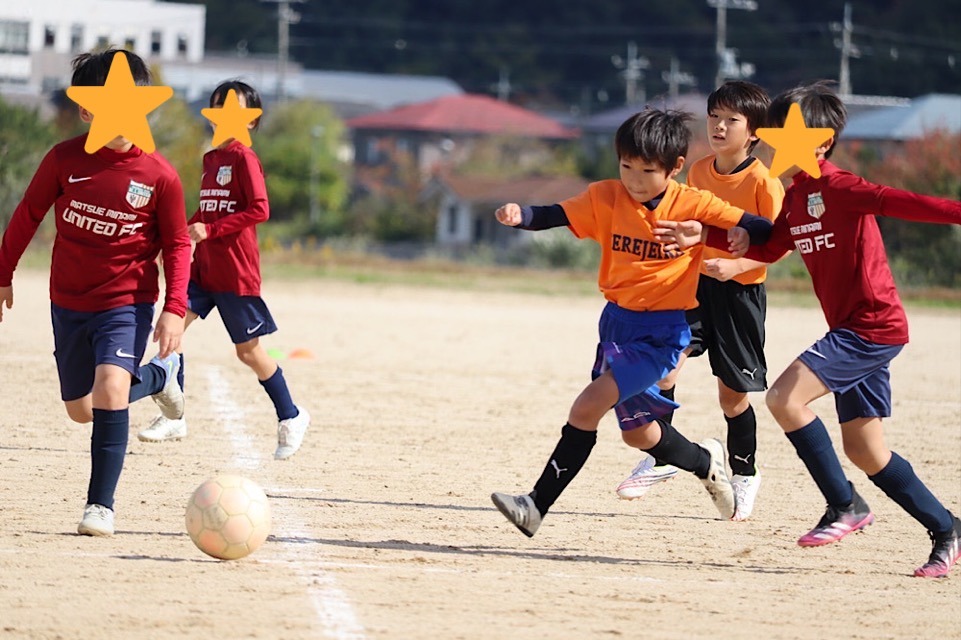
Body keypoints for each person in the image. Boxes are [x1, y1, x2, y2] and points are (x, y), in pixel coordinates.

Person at [659, 81, 961, 577]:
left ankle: (844, 507)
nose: (778, 139)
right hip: (851, 329)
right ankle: (946, 528)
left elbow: (907, 202)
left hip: (871, 327)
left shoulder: (840, 187)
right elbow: (769, 247)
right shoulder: (797, 194)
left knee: (783, 398)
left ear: (821, 141)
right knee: (866, 450)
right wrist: (704, 233)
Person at [489, 108, 775, 537]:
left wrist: (734, 235)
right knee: (640, 434)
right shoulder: (606, 196)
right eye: (626, 166)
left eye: (647, 171)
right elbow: (556, 213)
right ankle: (704, 463)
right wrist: (520, 215)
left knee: (587, 407)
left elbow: (760, 226)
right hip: (616, 326)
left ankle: (535, 505)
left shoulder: (692, 203)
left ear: (675, 168)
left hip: (661, 334)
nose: (635, 180)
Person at [0, 49, 191, 536]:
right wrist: (4, 272)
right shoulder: (65, 159)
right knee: (82, 410)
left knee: (110, 389)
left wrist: (174, 308)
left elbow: (177, 245)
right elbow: (27, 215)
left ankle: (99, 506)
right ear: (86, 109)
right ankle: (160, 378)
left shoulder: (159, 175)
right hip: (68, 301)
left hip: (126, 301)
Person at [615, 81, 784, 522]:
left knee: (732, 398)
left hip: (740, 295)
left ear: (754, 132)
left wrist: (736, 267)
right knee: (666, 368)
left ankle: (745, 474)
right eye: (714, 118)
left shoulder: (763, 182)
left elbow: (781, 245)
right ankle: (663, 455)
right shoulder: (700, 171)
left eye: (731, 120)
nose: (719, 127)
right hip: (692, 289)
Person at [137, 80, 310, 461]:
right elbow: (206, 211)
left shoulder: (245, 159)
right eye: (218, 107)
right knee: (171, 331)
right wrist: (180, 236)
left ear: (252, 120)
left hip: (235, 273)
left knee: (248, 353)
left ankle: (291, 415)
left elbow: (260, 209)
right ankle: (175, 415)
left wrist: (211, 230)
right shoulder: (211, 159)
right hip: (203, 271)